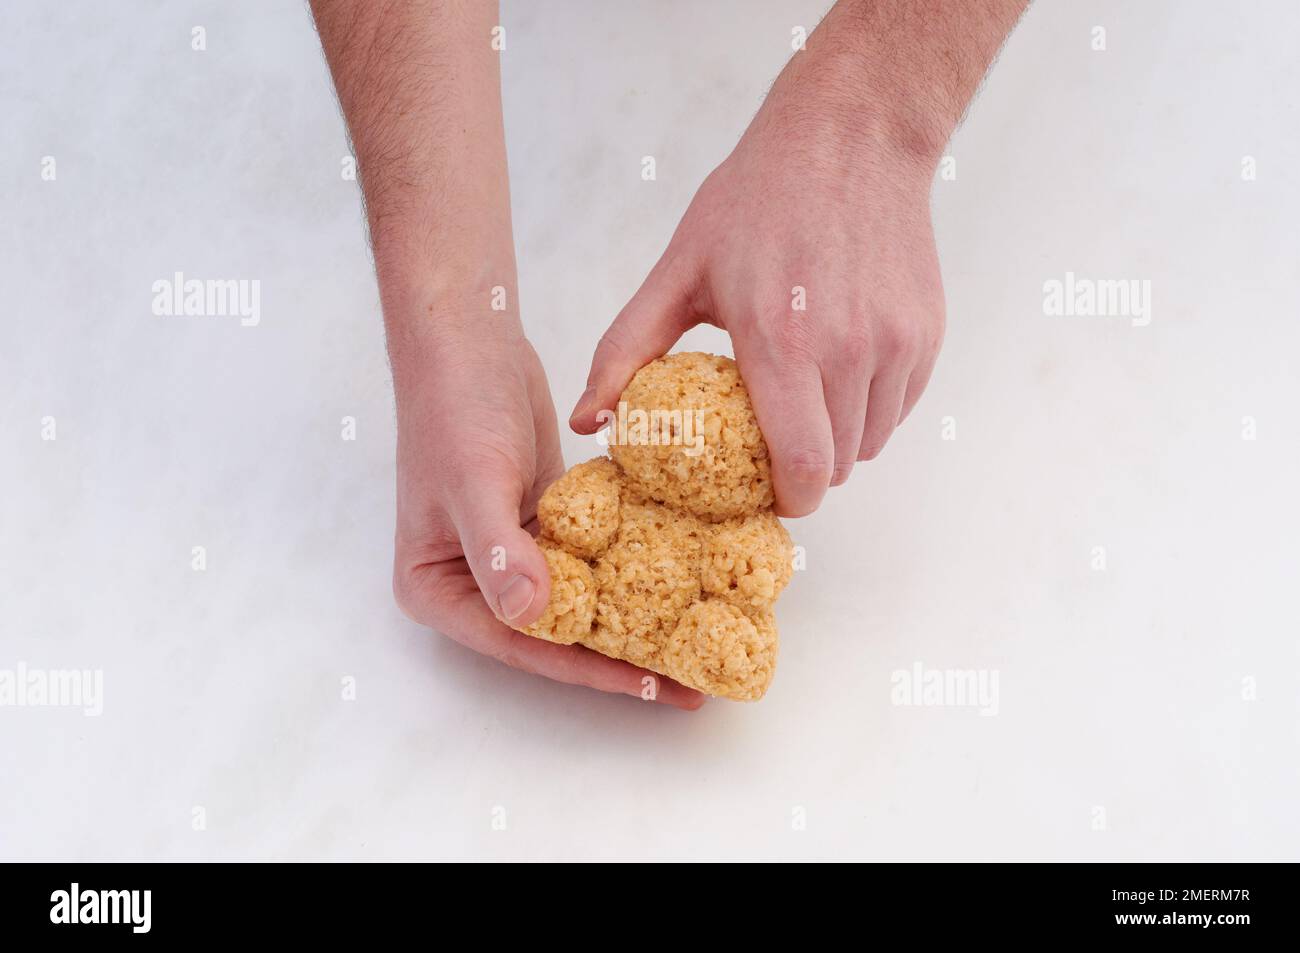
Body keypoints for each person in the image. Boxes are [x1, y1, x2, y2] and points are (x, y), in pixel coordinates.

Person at [309, 0, 1028, 709]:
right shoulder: (622, 488)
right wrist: (449, 321)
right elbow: (578, 512)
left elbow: (756, 563)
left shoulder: (735, 525)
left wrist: (876, 109)